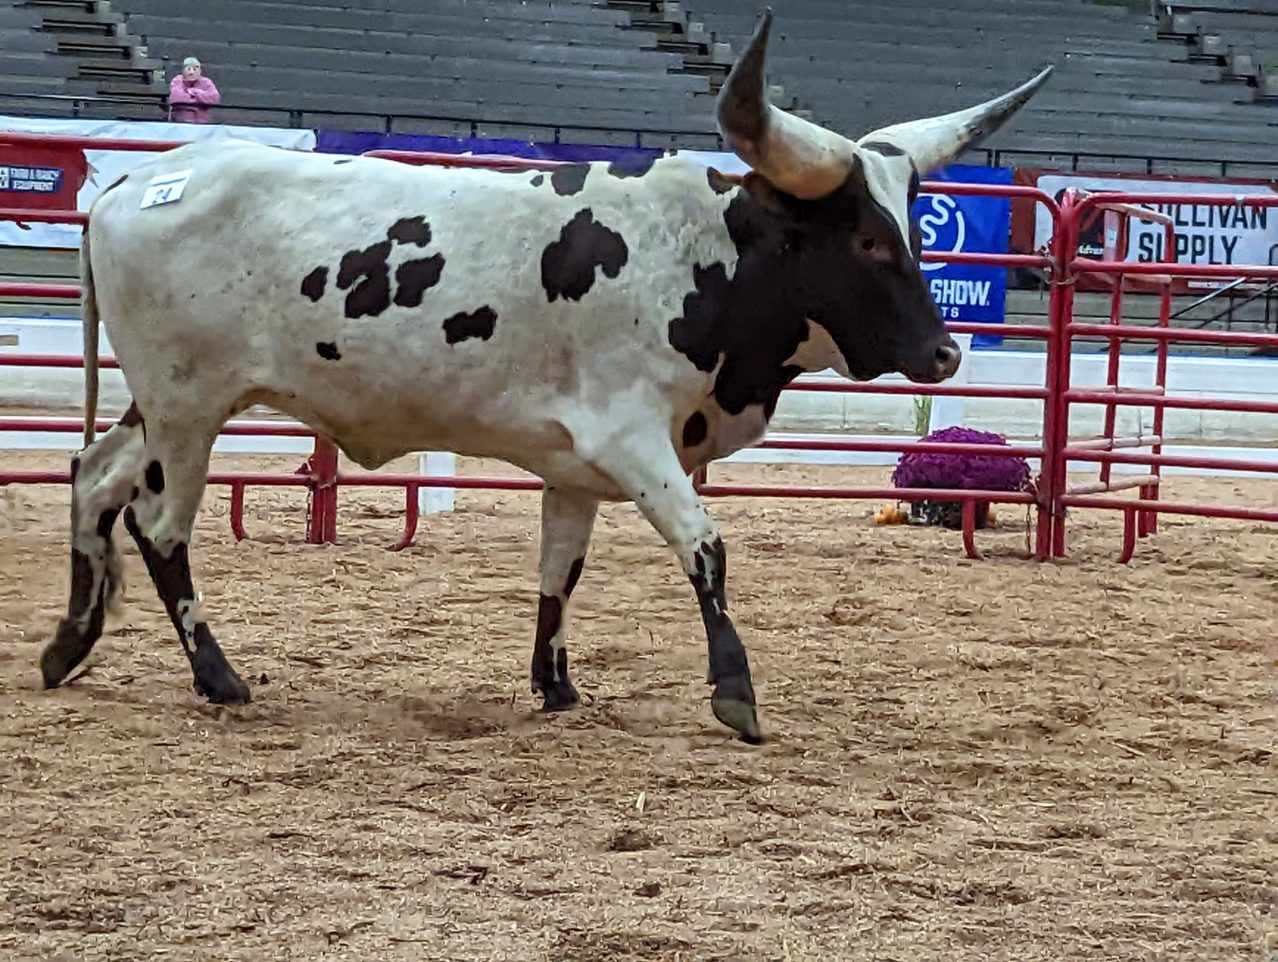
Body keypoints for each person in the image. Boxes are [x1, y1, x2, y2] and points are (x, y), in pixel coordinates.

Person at [167, 57, 221, 124]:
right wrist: (200, 101)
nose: (191, 72)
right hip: (181, 123)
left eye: (195, 69)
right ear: (183, 71)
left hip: (203, 123)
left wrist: (194, 92)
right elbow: (176, 98)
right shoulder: (177, 80)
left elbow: (214, 98)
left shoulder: (207, 82)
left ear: (200, 71)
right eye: (188, 69)